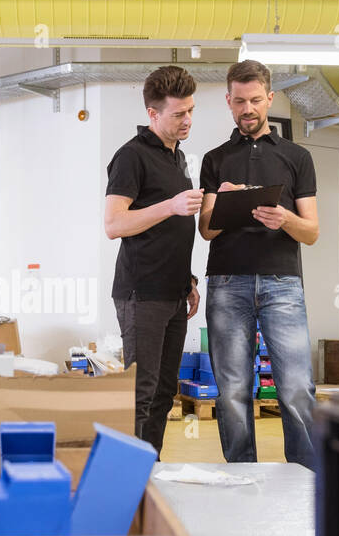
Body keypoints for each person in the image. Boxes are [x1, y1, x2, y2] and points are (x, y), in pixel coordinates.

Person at [198, 59, 320, 468]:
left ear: (269, 98)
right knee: (232, 390)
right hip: (227, 284)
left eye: (254, 100)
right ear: (228, 102)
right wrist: (230, 202)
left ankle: (305, 479)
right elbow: (206, 230)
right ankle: (240, 476)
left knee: (296, 387)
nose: (247, 109)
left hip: (282, 283)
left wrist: (284, 218)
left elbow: (312, 231)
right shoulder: (215, 160)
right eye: (238, 102)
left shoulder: (297, 157)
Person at [103, 65, 202, 457]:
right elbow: (114, 224)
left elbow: (170, 230)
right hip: (140, 294)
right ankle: (130, 484)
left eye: (190, 110)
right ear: (153, 114)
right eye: (178, 114)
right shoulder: (131, 157)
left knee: (164, 392)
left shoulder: (177, 158)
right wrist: (172, 205)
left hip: (174, 293)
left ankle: (151, 468)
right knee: (139, 396)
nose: (187, 120)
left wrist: (189, 281)